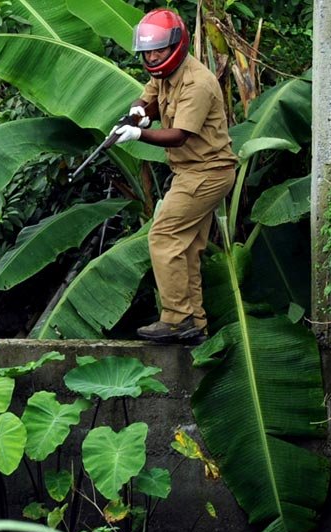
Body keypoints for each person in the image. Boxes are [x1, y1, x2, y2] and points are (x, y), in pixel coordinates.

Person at [112, 8, 238, 343]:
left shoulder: (198, 82)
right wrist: (138, 111)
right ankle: (194, 324)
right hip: (191, 171)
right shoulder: (165, 73)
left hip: (207, 172)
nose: (152, 57)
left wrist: (139, 135)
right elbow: (150, 95)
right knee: (187, 247)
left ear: (177, 46)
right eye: (148, 52)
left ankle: (176, 319)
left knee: (164, 236)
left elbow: (179, 134)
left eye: (159, 51)